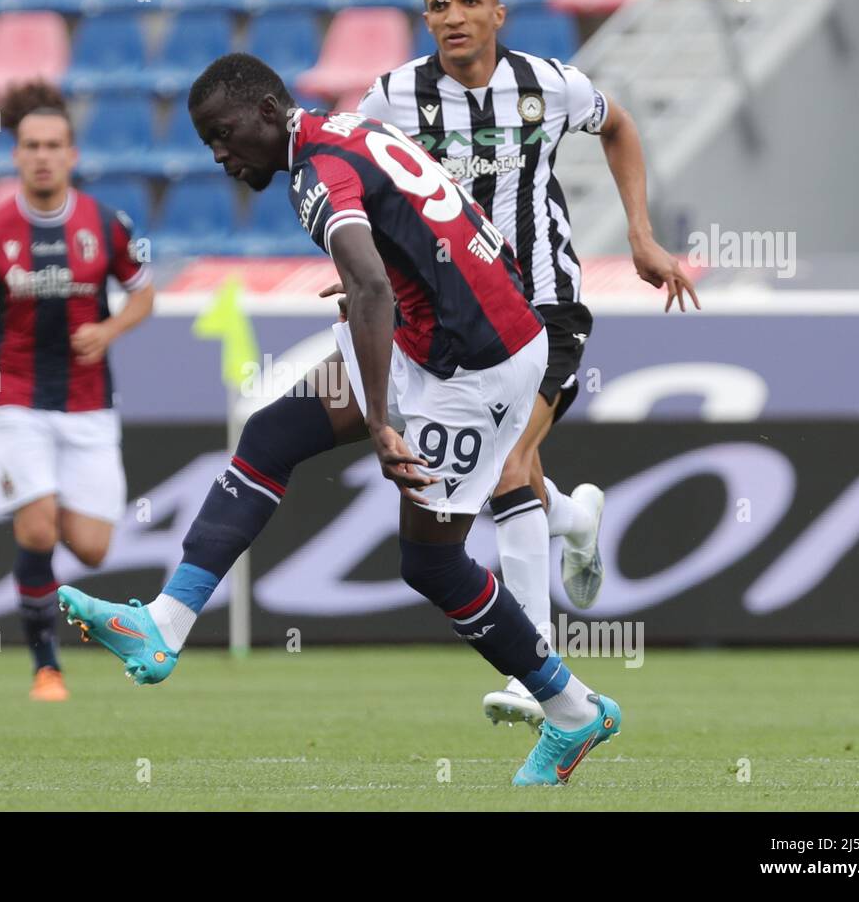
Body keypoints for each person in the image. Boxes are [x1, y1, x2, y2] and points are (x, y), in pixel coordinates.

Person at [57, 54, 620, 786]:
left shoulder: (315, 171)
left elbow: (371, 283)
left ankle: (576, 713)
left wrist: (383, 420)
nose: (221, 155)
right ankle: (164, 623)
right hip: (431, 329)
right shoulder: (339, 130)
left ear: (266, 110)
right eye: (208, 144)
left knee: (432, 564)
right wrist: (393, 280)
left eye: (224, 134)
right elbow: (415, 228)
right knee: (270, 434)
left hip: (477, 364)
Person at [358, 0, 700, 729]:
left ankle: (533, 671)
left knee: (507, 465)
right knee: (508, 474)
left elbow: (617, 123)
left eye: (468, 1)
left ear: (498, 15)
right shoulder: (393, 98)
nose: (452, 14)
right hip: (458, 318)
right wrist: (361, 265)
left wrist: (641, 236)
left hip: (547, 305)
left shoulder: (550, 84)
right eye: (437, 3)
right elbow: (354, 179)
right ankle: (574, 520)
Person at [0, 81, 154, 702]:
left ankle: (51, 550)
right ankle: (46, 667)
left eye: (54, 145)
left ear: (72, 154)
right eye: (31, 146)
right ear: (17, 155)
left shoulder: (106, 225)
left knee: (93, 547)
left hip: (88, 400)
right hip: (13, 392)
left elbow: (144, 294)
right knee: (36, 528)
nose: (43, 156)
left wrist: (108, 330)